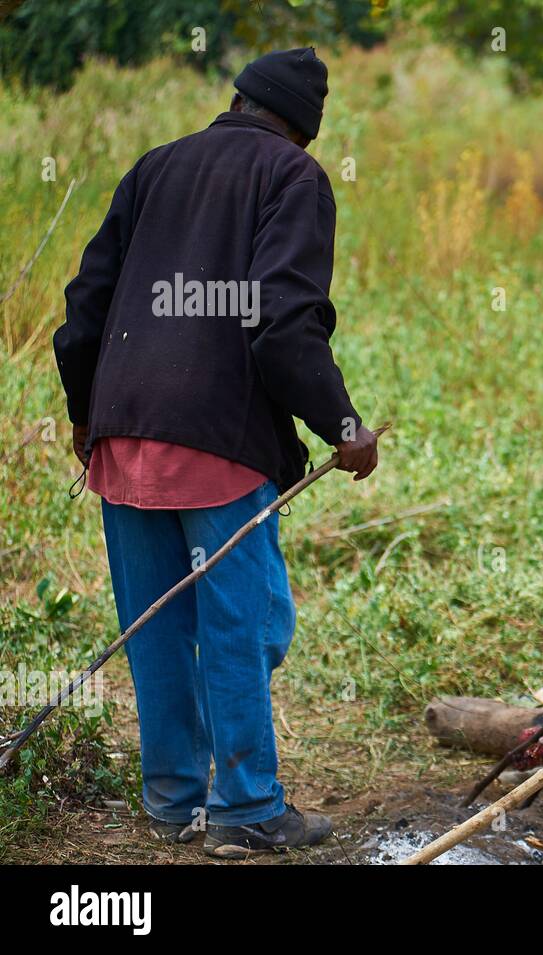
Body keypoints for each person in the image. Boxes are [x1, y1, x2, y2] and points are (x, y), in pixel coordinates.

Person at [53, 48, 378, 858]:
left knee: (156, 626)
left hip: (122, 435)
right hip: (216, 440)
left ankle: (173, 801)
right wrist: (344, 426)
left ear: (237, 100)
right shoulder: (294, 178)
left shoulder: (155, 167)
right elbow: (284, 324)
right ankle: (246, 810)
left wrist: (85, 416)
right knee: (249, 622)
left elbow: (84, 310)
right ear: (305, 129)